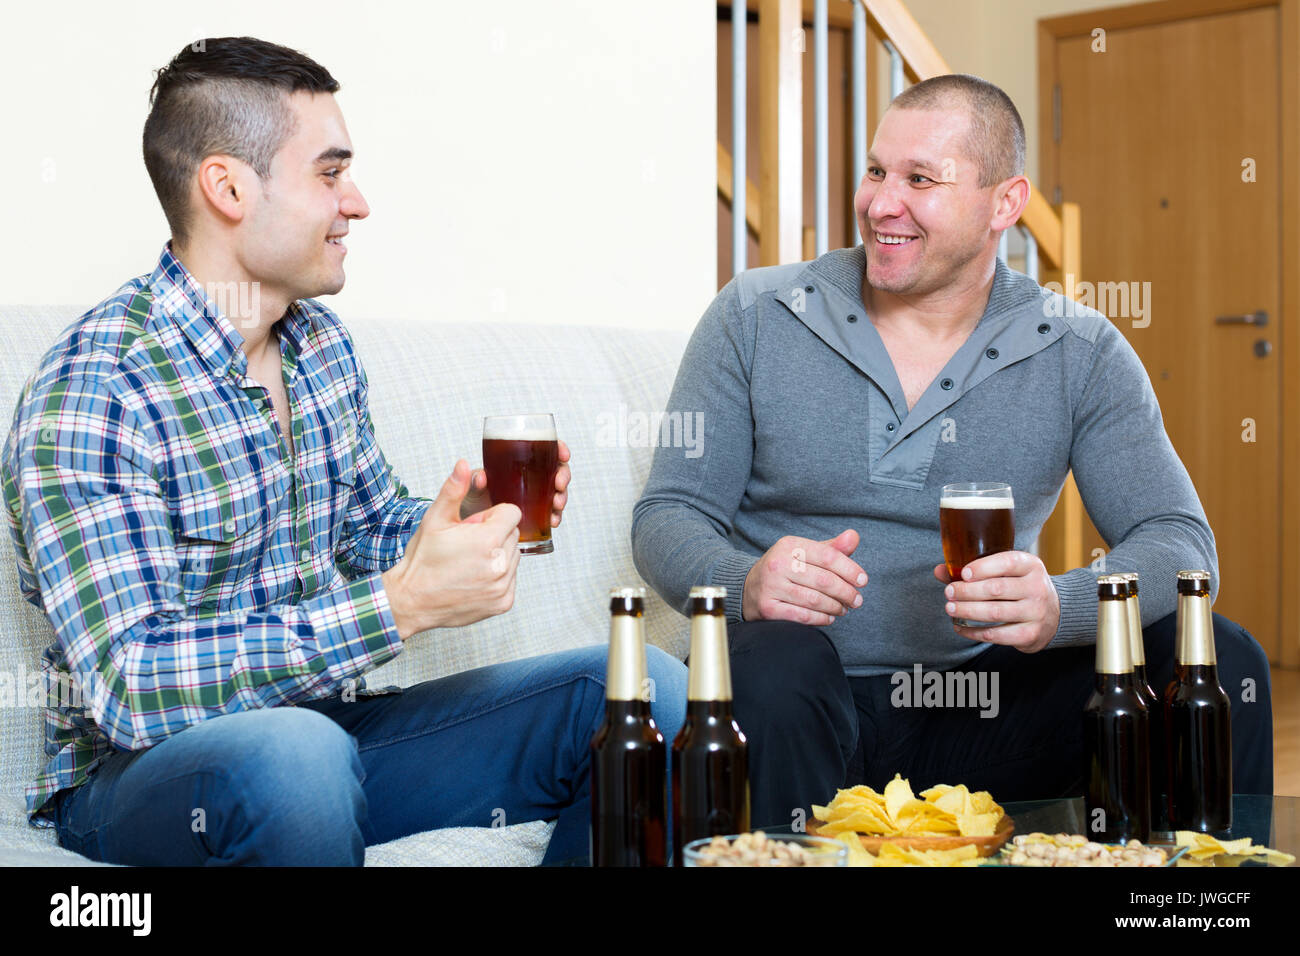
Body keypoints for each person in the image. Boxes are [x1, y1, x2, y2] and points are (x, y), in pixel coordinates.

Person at [1, 36, 686, 866]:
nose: (356, 202)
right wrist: (397, 607)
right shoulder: (98, 386)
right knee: (293, 755)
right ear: (226, 187)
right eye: (329, 173)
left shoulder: (317, 348)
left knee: (643, 688)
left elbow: (367, 530)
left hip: (332, 738)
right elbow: (128, 683)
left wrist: (459, 525)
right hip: (140, 777)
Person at [632, 73, 1271, 828]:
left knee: (1219, 654)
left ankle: (1206, 896)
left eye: (919, 179)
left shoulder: (1081, 349)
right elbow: (666, 517)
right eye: (875, 171)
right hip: (800, 700)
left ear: (1005, 202)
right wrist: (747, 581)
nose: (879, 203)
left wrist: (1059, 605)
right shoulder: (755, 315)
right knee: (774, 662)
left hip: (992, 708)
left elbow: (1184, 546)